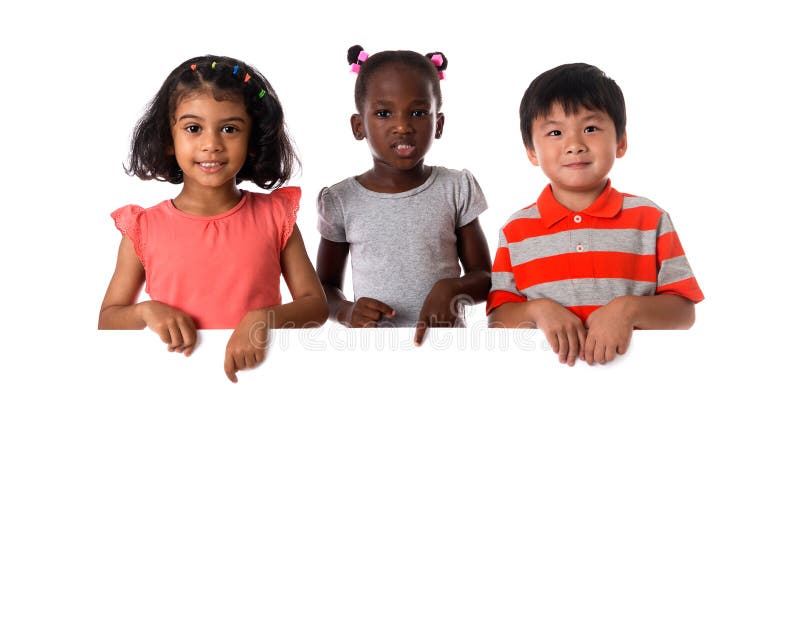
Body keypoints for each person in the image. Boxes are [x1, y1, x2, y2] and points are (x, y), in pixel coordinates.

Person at [99, 55, 327, 383]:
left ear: (252, 140)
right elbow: (108, 319)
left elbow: (315, 307)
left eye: (229, 129)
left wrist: (262, 319)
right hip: (167, 380)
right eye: (193, 128)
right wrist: (145, 311)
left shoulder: (276, 216)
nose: (211, 145)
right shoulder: (143, 228)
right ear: (168, 139)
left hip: (263, 377)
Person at [487, 63, 703, 366]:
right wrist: (538, 310)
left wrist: (627, 310)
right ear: (532, 152)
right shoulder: (516, 230)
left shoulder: (649, 219)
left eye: (590, 128)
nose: (574, 145)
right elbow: (498, 318)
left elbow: (684, 313)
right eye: (555, 132)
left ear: (621, 141)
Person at [316, 45, 492, 346]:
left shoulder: (455, 188)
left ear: (438, 124)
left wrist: (452, 289)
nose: (402, 126)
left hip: (447, 350)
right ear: (359, 126)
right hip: (374, 352)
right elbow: (324, 288)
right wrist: (346, 311)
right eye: (384, 113)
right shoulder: (341, 200)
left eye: (419, 113)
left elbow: (486, 278)